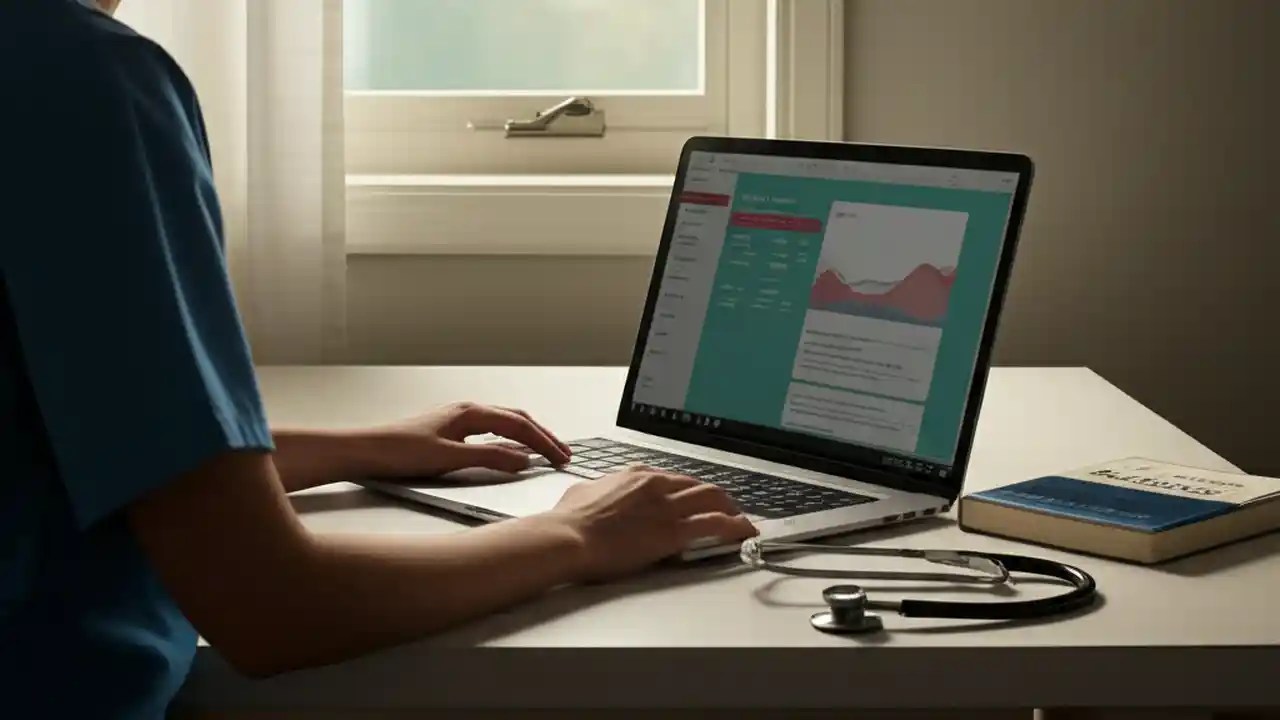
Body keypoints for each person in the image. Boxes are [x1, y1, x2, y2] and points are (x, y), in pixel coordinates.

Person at [0, 1, 758, 717]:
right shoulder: (83, 81)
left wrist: (362, 448)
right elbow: (270, 604)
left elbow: (69, 453)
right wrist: (579, 534)